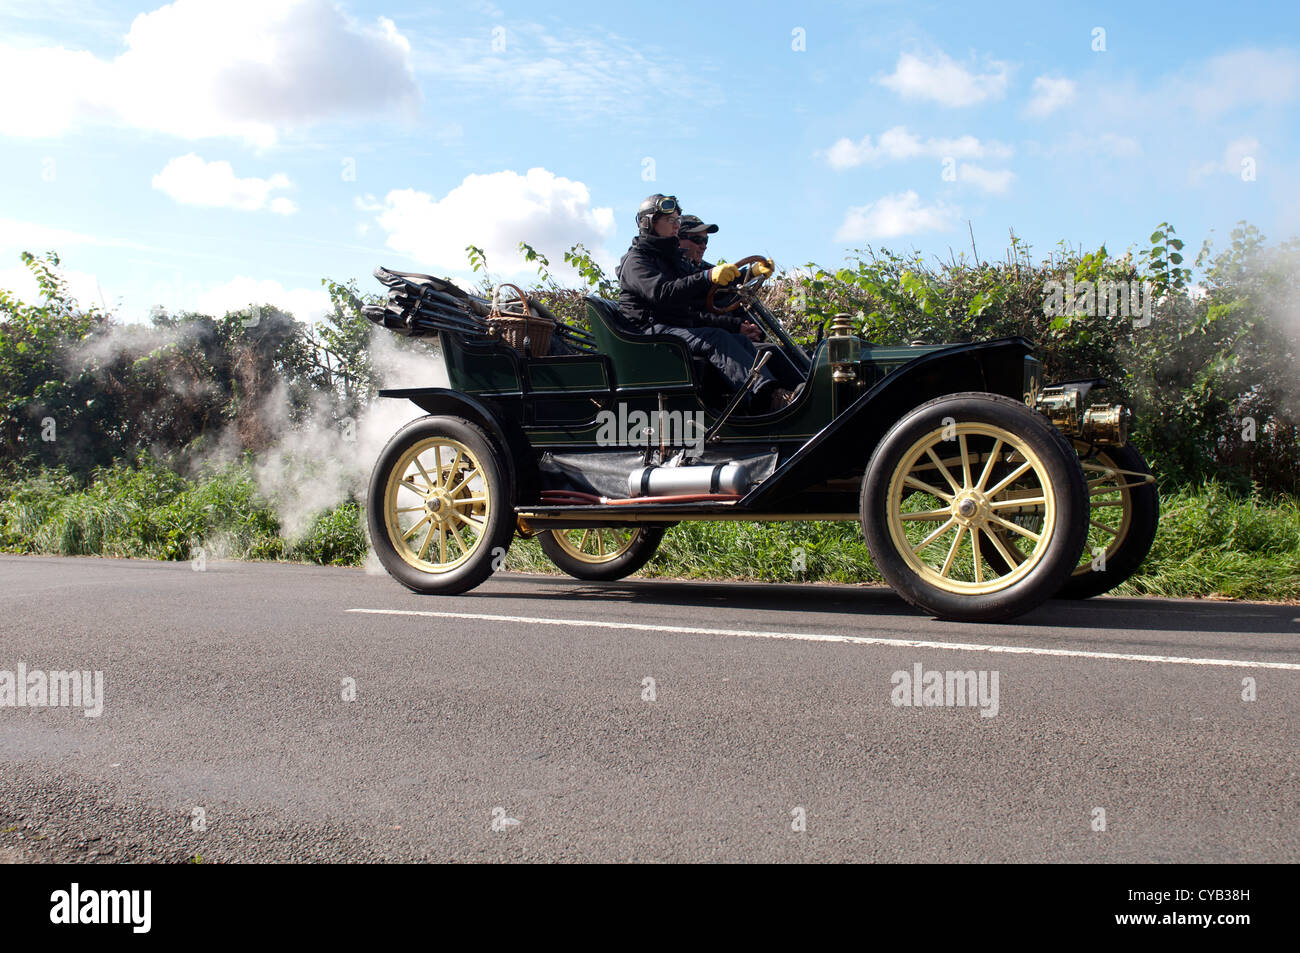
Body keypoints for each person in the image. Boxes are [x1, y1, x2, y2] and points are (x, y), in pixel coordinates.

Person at [616, 194, 793, 413]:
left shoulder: (670, 257)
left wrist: (750, 273)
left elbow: (707, 282)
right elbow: (662, 292)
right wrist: (708, 277)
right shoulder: (636, 260)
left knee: (739, 340)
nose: (676, 226)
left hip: (673, 328)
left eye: (677, 221)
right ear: (649, 223)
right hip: (648, 334)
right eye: (670, 221)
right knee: (715, 339)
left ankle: (791, 393)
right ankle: (767, 401)